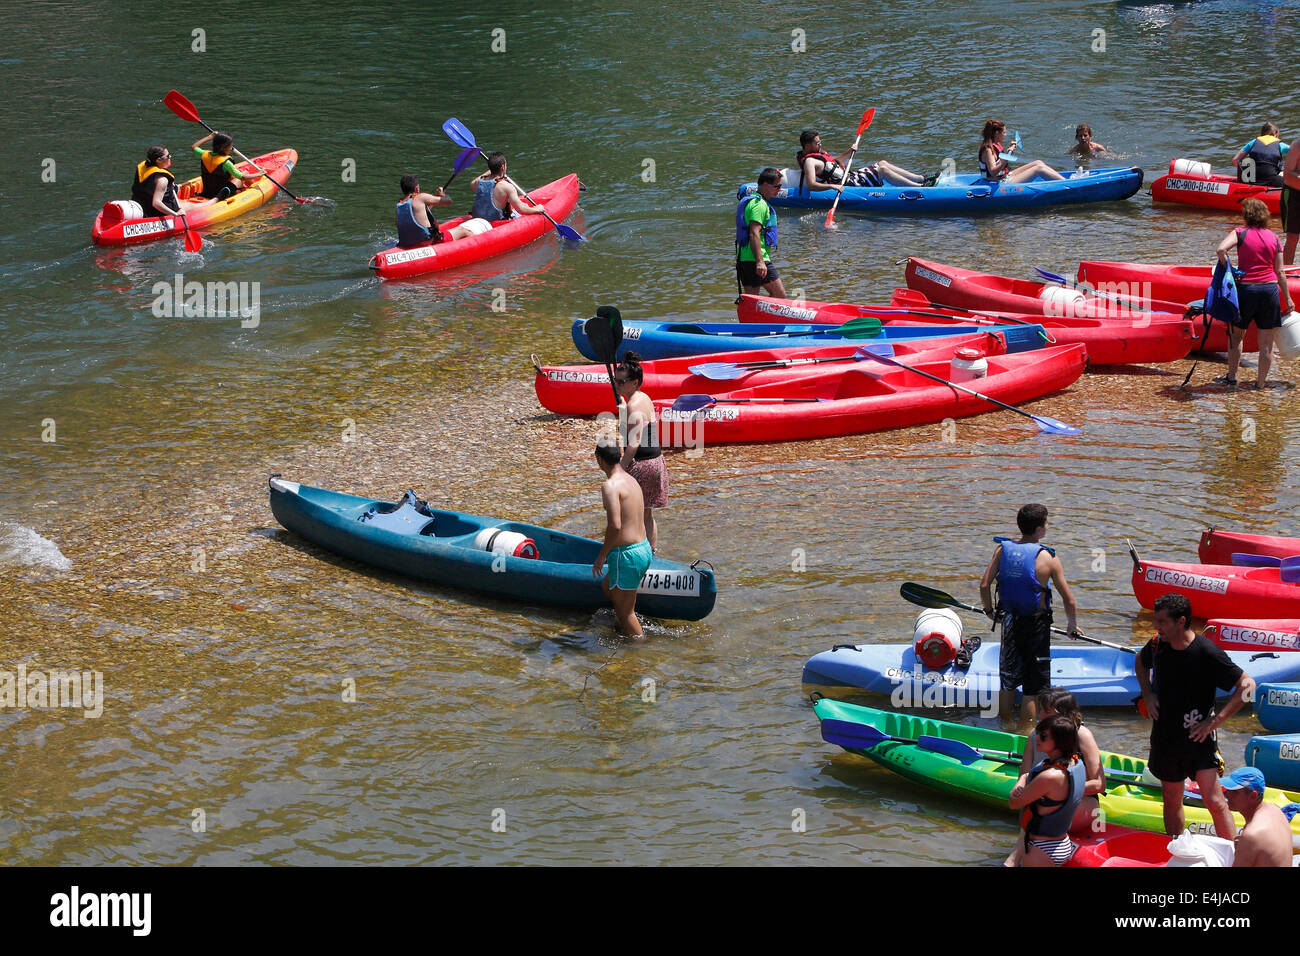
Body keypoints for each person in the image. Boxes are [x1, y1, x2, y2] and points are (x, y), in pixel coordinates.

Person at [1135, 592, 1255, 840]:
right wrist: (1147, 693)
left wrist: (1216, 721)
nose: (1157, 627)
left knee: (1215, 800)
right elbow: (1140, 660)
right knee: (1171, 798)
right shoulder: (1158, 644)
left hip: (1199, 738)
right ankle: (1177, 848)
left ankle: (1229, 856)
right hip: (1165, 736)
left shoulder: (1207, 653)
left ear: (1181, 621)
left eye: (1163, 622)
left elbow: (1248, 686)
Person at [979, 503, 1079, 720]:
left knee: (1007, 682)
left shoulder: (1001, 550)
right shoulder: (1048, 557)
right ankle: (1025, 734)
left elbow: (984, 585)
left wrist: (989, 610)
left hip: (1009, 622)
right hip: (1036, 627)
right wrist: (1072, 625)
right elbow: (1069, 600)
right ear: (1040, 529)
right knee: (1032, 689)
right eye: (1046, 523)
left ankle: (1004, 727)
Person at [1004, 688, 1105, 866]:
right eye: (1040, 710)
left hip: (1082, 802)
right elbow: (1024, 777)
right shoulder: (1035, 736)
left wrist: (1061, 791)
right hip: (1045, 800)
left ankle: (1013, 858)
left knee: (1037, 808)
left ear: (1063, 715)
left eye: (1046, 711)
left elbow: (1099, 784)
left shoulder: (1082, 735)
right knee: (1035, 805)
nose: (1040, 715)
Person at [1213, 196, 1292, 389]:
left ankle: (1232, 377)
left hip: (1246, 290)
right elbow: (1280, 272)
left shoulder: (1240, 233)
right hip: (1269, 291)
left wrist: (1229, 270)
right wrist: (1288, 298)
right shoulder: (1274, 238)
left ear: (1246, 215)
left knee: (1236, 336)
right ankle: (1261, 384)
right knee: (1266, 342)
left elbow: (1221, 250)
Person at [1007, 714, 1087, 866]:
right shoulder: (1077, 763)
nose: (1037, 738)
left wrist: (1023, 779)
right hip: (1062, 843)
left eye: (1043, 736)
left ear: (1060, 742)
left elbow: (1014, 803)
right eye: (1038, 733)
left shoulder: (1050, 776)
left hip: (1041, 848)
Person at [593, 439, 652, 638]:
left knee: (625, 614)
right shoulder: (631, 479)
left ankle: (636, 655)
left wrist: (602, 555)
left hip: (625, 555)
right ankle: (626, 615)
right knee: (606, 586)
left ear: (600, 460)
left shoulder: (610, 486)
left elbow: (615, 526)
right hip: (643, 549)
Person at [614, 352, 668, 554]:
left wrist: (620, 469)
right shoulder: (643, 397)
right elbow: (627, 431)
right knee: (647, 513)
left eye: (622, 381)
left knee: (631, 513)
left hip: (642, 465)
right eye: (615, 381)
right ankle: (651, 552)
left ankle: (634, 552)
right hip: (656, 461)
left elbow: (633, 443)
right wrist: (622, 411)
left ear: (634, 382)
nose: (617, 384)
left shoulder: (633, 406)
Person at [795, 129, 934, 192]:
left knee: (882, 163)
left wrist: (849, 152)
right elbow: (812, 185)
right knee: (882, 171)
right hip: (848, 185)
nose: (820, 145)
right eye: (817, 143)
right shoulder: (809, 162)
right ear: (808, 145)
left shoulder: (818, 154)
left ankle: (920, 178)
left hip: (851, 177)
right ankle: (919, 189)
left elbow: (832, 163)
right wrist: (833, 187)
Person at [1220, 767, 1293, 867]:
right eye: (1228, 789)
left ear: (1253, 796)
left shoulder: (1252, 835)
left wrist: (1245, 845)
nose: (1226, 794)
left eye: (1235, 792)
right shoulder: (1275, 811)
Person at [394, 175, 491, 248]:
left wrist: (437, 197)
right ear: (416, 188)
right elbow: (448, 201)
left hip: (408, 242)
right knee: (463, 231)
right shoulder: (421, 197)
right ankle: (480, 248)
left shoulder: (400, 205)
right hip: (428, 242)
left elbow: (416, 216)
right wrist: (442, 194)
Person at [736, 167, 787, 298]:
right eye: (777, 186)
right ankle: (770, 319)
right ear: (765, 185)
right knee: (779, 295)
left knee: (753, 300)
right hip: (755, 258)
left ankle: (753, 319)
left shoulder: (753, 200)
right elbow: (753, 233)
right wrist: (760, 261)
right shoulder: (759, 205)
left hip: (745, 258)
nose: (779, 189)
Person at [979, 120, 1065, 183]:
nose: (1005, 135)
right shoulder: (988, 150)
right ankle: (1067, 184)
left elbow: (999, 160)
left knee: (1038, 163)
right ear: (997, 133)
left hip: (1004, 176)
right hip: (999, 182)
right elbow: (993, 172)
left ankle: (1065, 180)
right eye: (1004, 132)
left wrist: (1009, 151)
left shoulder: (995, 144)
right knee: (1039, 169)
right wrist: (1006, 159)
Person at [469, 152, 545, 222]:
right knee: (523, 207)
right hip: (497, 221)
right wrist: (536, 209)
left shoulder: (479, 182)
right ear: (503, 167)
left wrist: (491, 169)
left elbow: (472, 183)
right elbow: (521, 209)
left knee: (520, 205)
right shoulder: (506, 186)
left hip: (479, 218)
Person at [191, 131, 263, 200]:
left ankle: (250, 188)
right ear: (223, 148)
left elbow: (194, 146)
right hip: (223, 194)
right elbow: (243, 177)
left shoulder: (203, 154)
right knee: (245, 173)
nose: (231, 148)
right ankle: (255, 189)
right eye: (230, 145)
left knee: (231, 175)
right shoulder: (226, 162)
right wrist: (259, 174)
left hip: (206, 193)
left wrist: (209, 137)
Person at [130, 145, 182, 218]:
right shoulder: (162, 180)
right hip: (155, 212)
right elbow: (156, 203)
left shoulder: (145, 167)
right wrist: (175, 214)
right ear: (159, 160)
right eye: (167, 156)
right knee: (193, 205)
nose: (170, 157)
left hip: (142, 206)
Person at [1232, 122, 1288, 187]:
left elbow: (1235, 160)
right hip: (1271, 180)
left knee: (1246, 162)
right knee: (1285, 173)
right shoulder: (1280, 145)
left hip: (1250, 180)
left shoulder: (1253, 142)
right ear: (1275, 134)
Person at [1283, 131, 1300, 265]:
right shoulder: (1297, 146)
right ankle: (1286, 271)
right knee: (1292, 237)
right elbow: (1287, 175)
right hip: (1294, 194)